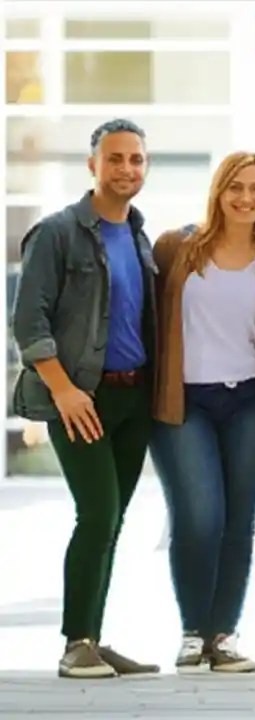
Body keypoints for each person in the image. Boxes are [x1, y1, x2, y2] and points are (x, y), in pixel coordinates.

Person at [11, 118, 161, 679]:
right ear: (92, 165)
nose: (126, 168)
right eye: (116, 158)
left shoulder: (141, 236)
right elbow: (28, 321)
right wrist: (65, 390)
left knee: (113, 519)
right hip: (80, 398)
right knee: (96, 513)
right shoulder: (57, 233)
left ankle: (92, 638)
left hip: (133, 397)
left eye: (136, 160)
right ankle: (76, 644)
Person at [150, 152, 255, 673]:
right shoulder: (175, 248)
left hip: (250, 398)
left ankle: (223, 635)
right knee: (199, 516)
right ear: (218, 191)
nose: (246, 198)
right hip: (187, 402)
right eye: (236, 188)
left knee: (239, 521)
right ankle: (191, 630)